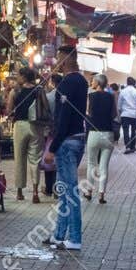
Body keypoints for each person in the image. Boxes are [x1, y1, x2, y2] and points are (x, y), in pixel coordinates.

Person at [46, 68, 88, 251]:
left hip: (66, 142)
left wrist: (52, 147)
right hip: (78, 138)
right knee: (64, 190)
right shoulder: (82, 82)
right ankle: (59, 235)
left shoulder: (66, 84)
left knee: (69, 191)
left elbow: (63, 118)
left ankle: (75, 238)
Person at [8, 66, 49, 203]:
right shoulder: (39, 90)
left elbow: (9, 110)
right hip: (36, 126)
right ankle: (35, 192)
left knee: (19, 158)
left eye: (18, 76)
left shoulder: (15, 91)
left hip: (20, 125)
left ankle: (19, 192)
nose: (17, 78)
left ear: (24, 77)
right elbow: (46, 108)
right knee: (35, 159)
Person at [84, 73, 117, 204]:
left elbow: (88, 113)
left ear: (97, 83)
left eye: (93, 81)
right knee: (104, 166)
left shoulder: (90, 96)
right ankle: (101, 194)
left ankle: (89, 192)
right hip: (108, 133)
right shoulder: (111, 96)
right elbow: (114, 114)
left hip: (94, 133)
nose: (91, 83)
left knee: (91, 164)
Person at [39, 72, 60, 198]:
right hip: (61, 132)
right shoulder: (66, 96)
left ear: (52, 82)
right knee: (58, 160)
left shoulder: (48, 96)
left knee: (48, 160)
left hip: (49, 131)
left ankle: (48, 188)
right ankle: (57, 188)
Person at [118, 76, 136, 153]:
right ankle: (133, 146)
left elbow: (119, 105)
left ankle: (127, 147)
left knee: (125, 131)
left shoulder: (122, 91)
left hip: (125, 114)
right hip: (134, 115)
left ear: (127, 83)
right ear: (134, 83)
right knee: (133, 131)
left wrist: (120, 113)